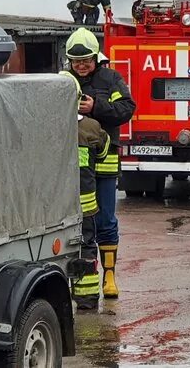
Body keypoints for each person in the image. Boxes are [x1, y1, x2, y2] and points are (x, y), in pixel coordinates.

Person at [64, 27, 135, 299]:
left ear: (96, 58)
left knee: (105, 220)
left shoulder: (111, 79)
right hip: (71, 168)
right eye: (76, 62)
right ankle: (81, 277)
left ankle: (109, 276)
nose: (81, 66)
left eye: (86, 61)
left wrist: (95, 107)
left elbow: (127, 109)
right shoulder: (64, 80)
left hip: (103, 166)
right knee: (77, 223)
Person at [59, 69, 110, 309]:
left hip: (55, 206)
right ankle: (87, 300)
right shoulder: (91, 127)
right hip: (86, 206)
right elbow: (102, 150)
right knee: (86, 247)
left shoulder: (47, 128)